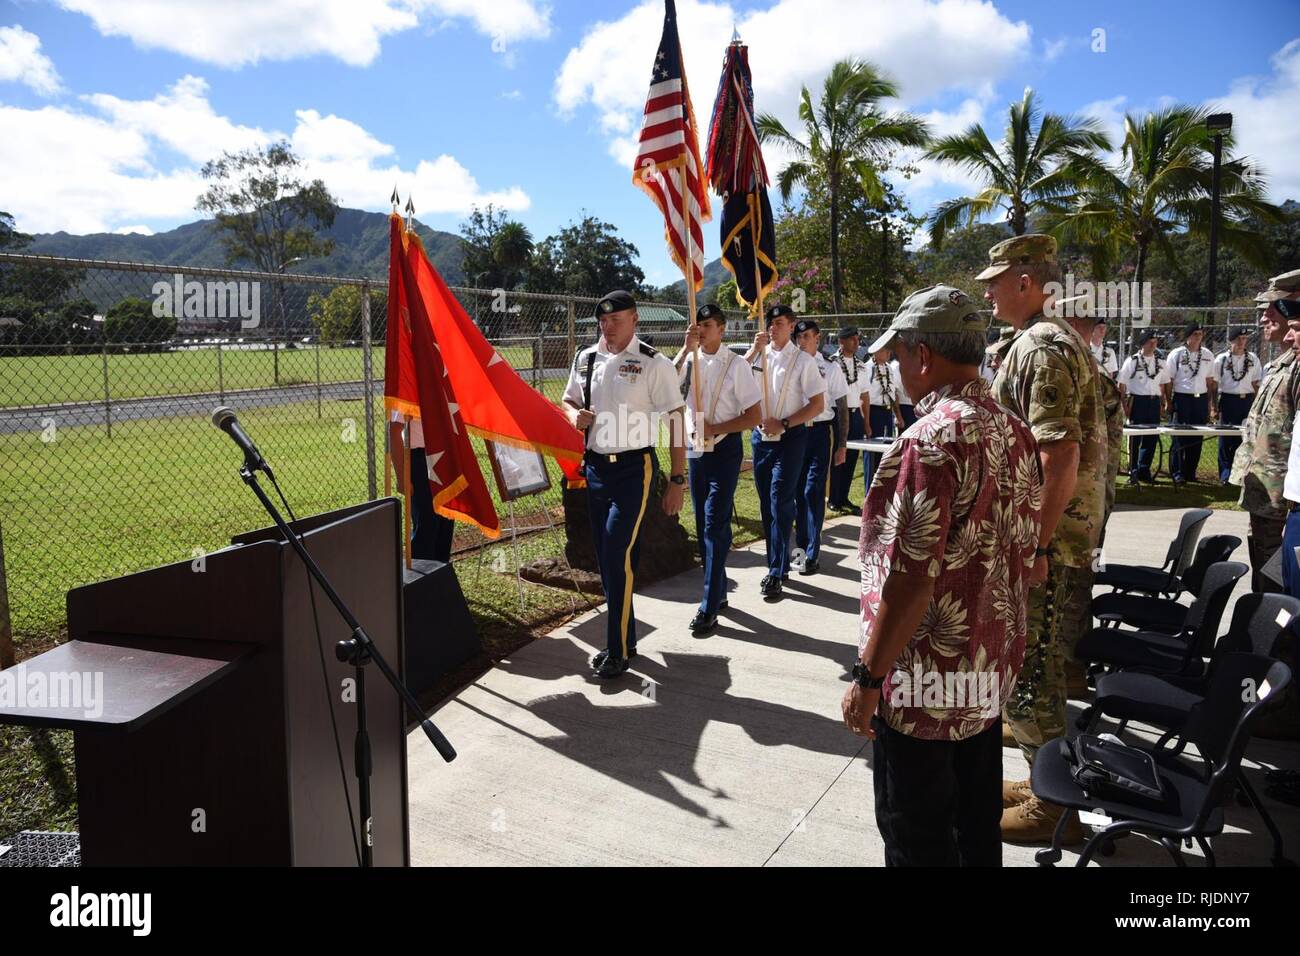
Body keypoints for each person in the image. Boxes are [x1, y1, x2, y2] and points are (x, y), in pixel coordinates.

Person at [841, 284, 1042, 867]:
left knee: (918, 836)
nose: (899, 370)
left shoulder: (928, 441)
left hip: (924, 687)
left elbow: (908, 580)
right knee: (975, 825)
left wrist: (868, 677)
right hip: (984, 676)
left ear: (923, 355)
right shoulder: (1013, 429)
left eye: (900, 356)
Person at [979, 234, 1105, 845]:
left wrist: (1033, 545)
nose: (986, 290)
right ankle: (1046, 780)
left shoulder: (1042, 346)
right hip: (1051, 540)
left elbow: (1059, 454)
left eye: (995, 279)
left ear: (1027, 281)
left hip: (1046, 546)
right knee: (1041, 671)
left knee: (1031, 676)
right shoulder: (1046, 340)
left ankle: (1054, 809)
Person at [561, 290, 687, 678]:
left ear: (634, 319)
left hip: (635, 469)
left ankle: (616, 651)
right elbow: (568, 402)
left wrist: (678, 479)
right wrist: (574, 417)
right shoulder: (586, 359)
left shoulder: (653, 362)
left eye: (616, 320)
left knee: (616, 552)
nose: (608, 327)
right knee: (609, 557)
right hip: (596, 468)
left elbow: (676, 419)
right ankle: (628, 636)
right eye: (602, 320)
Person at [674, 304, 762, 634]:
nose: (701, 330)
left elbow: (754, 416)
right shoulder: (691, 360)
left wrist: (717, 427)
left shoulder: (736, 364)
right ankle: (720, 588)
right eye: (697, 325)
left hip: (724, 448)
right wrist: (685, 348)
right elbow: (668, 385)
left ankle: (708, 605)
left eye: (707, 325)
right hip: (697, 449)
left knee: (714, 523)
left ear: (722, 329)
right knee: (704, 524)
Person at [744, 304, 826, 600]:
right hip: (761, 438)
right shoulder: (759, 357)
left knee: (781, 502)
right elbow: (735, 380)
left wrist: (786, 422)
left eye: (778, 323)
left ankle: (776, 571)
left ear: (791, 326)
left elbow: (817, 404)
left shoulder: (803, 361)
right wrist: (753, 351)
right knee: (767, 504)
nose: (772, 328)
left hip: (790, 437)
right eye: (770, 323)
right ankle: (776, 563)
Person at [1231, 269, 1300, 592]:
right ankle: (1265, 637)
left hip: (1283, 500)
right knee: (1265, 569)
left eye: (1271, 310)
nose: (1263, 319)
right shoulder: (1279, 365)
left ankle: (1278, 640)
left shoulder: (1296, 367)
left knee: (1279, 579)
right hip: (1266, 497)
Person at [792, 318, 848, 576]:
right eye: (798, 338)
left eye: (807, 337)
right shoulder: (790, 365)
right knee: (796, 493)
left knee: (813, 491)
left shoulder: (830, 367)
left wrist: (842, 444)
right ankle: (800, 551)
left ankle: (813, 552)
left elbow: (842, 407)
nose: (801, 342)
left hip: (820, 433)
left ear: (818, 338)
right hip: (795, 433)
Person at [390, 412, 456, 562]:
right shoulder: (409, 390)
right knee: (427, 526)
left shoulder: (443, 390)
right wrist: (402, 478)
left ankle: (439, 576)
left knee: (445, 524)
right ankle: (419, 580)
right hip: (420, 460)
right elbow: (394, 431)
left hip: (444, 458)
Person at [1165, 322, 1218, 487]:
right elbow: (1169, 380)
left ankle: (1190, 472)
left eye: (1200, 334)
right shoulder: (1177, 354)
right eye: (1195, 334)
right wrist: (1168, 401)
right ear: (1188, 336)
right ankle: (1177, 473)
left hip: (1200, 399)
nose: (1198, 337)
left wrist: (1210, 403)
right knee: (1180, 437)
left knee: (1197, 436)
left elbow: (1210, 381)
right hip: (1182, 398)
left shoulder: (1208, 354)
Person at [1116, 330, 1170, 484]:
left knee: (1151, 438)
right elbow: (1122, 383)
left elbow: (1164, 383)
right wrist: (1125, 405)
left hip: (1153, 402)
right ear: (1142, 343)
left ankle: (1144, 470)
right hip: (1137, 401)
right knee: (1135, 439)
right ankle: (1132, 471)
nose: (1153, 344)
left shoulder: (1160, 362)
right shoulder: (1132, 361)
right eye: (1150, 342)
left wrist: (1163, 402)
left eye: (1155, 341)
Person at [1214, 327, 1262, 484]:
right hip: (1228, 400)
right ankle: (1225, 474)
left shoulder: (1253, 358)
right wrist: (1214, 407)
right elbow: (1215, 385)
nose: (1242, 342)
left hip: (1247, 400)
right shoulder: (1221, 360)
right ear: (1231, 341)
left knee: (1244, 438)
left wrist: (1258, 404)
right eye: (1239, 339)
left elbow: (1256, 383)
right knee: (1225, 439)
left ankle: (1241, 474)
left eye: (1244, 339)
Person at [828, 326, 868, 513]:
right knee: (837, 456)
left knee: (851, 458)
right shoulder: (833, 363)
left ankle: (844, 497)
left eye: (857, 339)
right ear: (841, 341)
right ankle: (833, 498)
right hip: (837, 414)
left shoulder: (861, 365)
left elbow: (864, 394)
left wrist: (866, 421)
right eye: (853, 339)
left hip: (855, 414)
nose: (857, 343)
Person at [861, 346, 899, 491]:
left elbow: (893, 392)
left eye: (889, 351)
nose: (888, 353)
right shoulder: (868, 368)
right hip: (873, 411)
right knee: (870, 454)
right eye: (885, 351)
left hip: (887, 411)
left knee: (886, 450)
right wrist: (867, 422)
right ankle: (869, 490)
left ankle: (883, 488)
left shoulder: (889, 368)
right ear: (876, 352)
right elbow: (865, 396)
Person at [889, 352, 916, 429]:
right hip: (904, 408)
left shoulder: (912, 363)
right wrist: (898, 416)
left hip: (916, 407)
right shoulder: (895, 366)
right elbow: (894, 393)